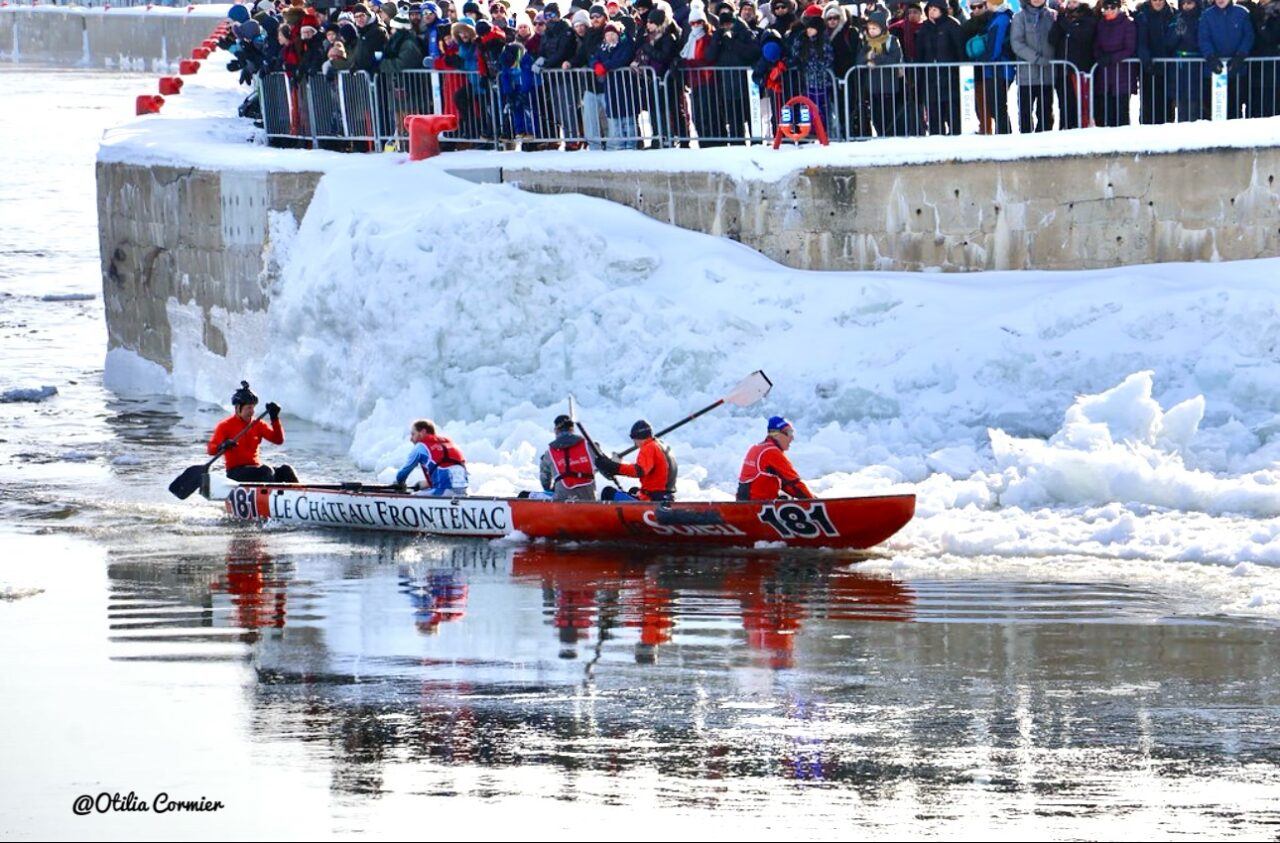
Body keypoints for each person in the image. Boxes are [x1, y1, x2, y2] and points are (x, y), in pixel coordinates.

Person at [207, 380, 299, 483]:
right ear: (237, 408)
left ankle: (303, 494)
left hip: (256, 470)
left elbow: (278, 440)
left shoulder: (258, 424)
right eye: (248, 408)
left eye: (253, 408)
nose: (252, 412)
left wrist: (274, 418)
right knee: (266, 471)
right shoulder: (225, 425)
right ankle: (269, 496)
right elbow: (211, 449)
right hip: (236, 472)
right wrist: (222, 445)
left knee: (286, 470)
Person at [593, 419, 677, 502]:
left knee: (608, 492)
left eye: (634, 440)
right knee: (634, 490)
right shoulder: (662, 445)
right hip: (667, 497)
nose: (635, 443)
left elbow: (639, 471)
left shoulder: (649, 447)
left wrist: (613, 467)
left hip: (654, 500)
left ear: (637, 437)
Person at [736, 415, 814, 500]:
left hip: (744, 502)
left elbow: (787, 485)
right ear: (776, 435)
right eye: (789, 433)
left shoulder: (756, 447)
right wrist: (814, 501)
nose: (792, 438)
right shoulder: (771, 451)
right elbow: (795, 483)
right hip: (757, 505)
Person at [393, 418, 469, 496]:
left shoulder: (420, 447)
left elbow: (403, 473)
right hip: (462, 493)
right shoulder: (451, 444)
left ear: (422, 432)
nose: (411, 439)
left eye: (413, 434)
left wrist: (399, 483)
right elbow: (447, 473)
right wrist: (422, 484)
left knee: (413, 496)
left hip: (442, 492)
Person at [534, 414, 598, 501]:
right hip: (589, 498)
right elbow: (603, 467)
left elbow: (544, 479)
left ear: (556, 431)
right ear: (572, 429)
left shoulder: (549, 453)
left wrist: (549, 490)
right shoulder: (588, 446)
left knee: (525, 494)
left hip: (562, 500)